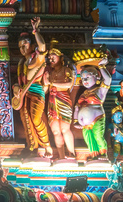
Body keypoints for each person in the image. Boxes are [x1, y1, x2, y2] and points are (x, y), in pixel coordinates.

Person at [12, 18, 50, 159]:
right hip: (23, 94)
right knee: (26, 119)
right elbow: (18, 82)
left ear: (32, 44)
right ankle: (32, 146)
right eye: (20, 47)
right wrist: (16, 88)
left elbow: (43, 46)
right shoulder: (22, 62)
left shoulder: (37, 59)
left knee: (35, 119)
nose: (22, 49)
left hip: (36, 92)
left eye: (25, 45)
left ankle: (45, 144)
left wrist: (35, 30)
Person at [71, 58, 113, 161]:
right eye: (83, 78)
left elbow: (108, 80)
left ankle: (103, 155)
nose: (84, 81)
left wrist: (102, 67)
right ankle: (94, 155)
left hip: (97, 117)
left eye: (87, 78)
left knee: (98, 136)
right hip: (84, 123)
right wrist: (76, 120)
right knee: (88, 138)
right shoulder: (84, 93)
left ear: (97, 76)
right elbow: (77, 107)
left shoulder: (99, 91)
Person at [43, 48, 76, 161]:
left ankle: (71, 153)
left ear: (60, 58)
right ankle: (61, 157)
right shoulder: (50, 73)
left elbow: (68, 84)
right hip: (52, 100)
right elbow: (45, 91)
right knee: (55, 130)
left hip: (63, 98)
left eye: (53, 57)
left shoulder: (66, 70)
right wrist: (45, 80)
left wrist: (51, 83)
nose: (51, 59)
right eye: (49, 58)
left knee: (65, 128)